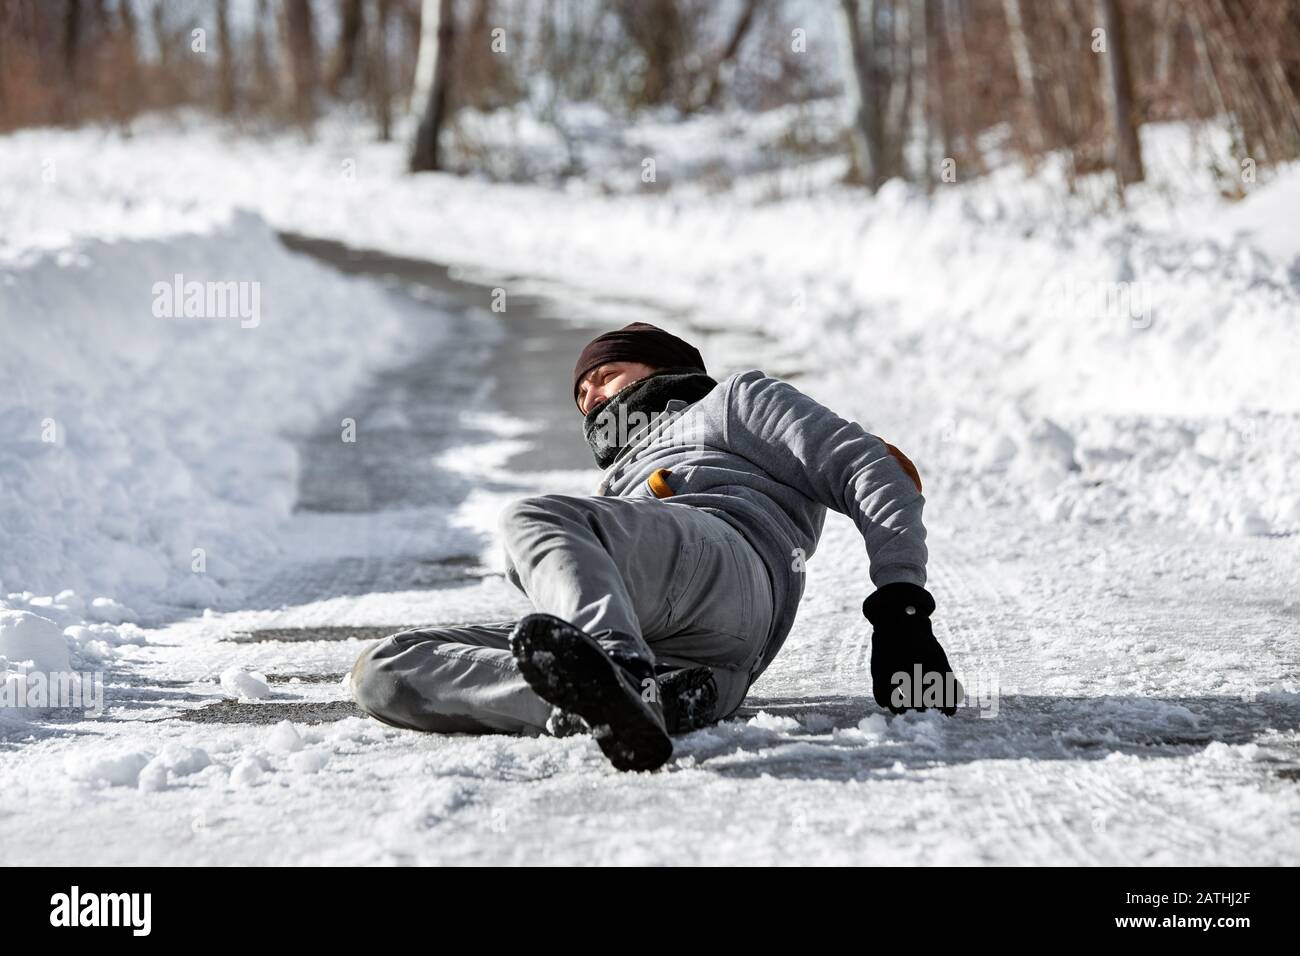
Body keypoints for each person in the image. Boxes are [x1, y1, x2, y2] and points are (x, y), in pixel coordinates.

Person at [350, 321, 961, 772]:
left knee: (531, 519)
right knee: (384, 668)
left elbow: (874, 468)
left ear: (660, 368)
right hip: (708, 660)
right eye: (580, 396)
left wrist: (902, 607)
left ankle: (612, 663)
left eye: (604, 376)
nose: (590, 398)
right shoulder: (614, 485)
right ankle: (616, 703)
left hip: (729, 561)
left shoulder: (733, 404)